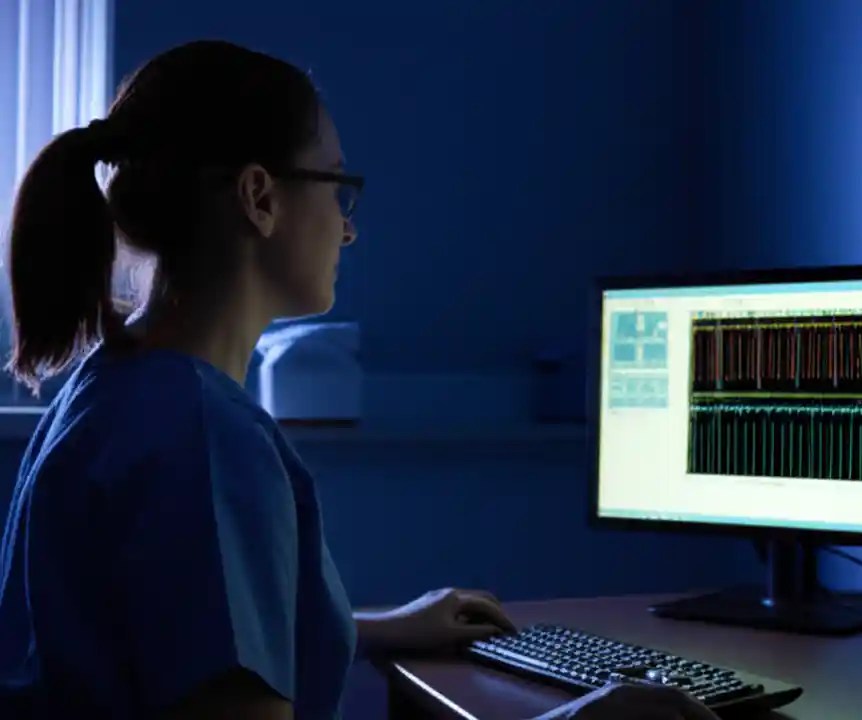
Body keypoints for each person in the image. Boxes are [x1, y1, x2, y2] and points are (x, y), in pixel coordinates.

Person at [0, 40, 717, 720]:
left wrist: (363, 626)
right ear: (259, 198)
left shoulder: (110, 386)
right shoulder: (207, 441)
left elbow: (167, 629)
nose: (348, 229)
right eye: (337, 187)